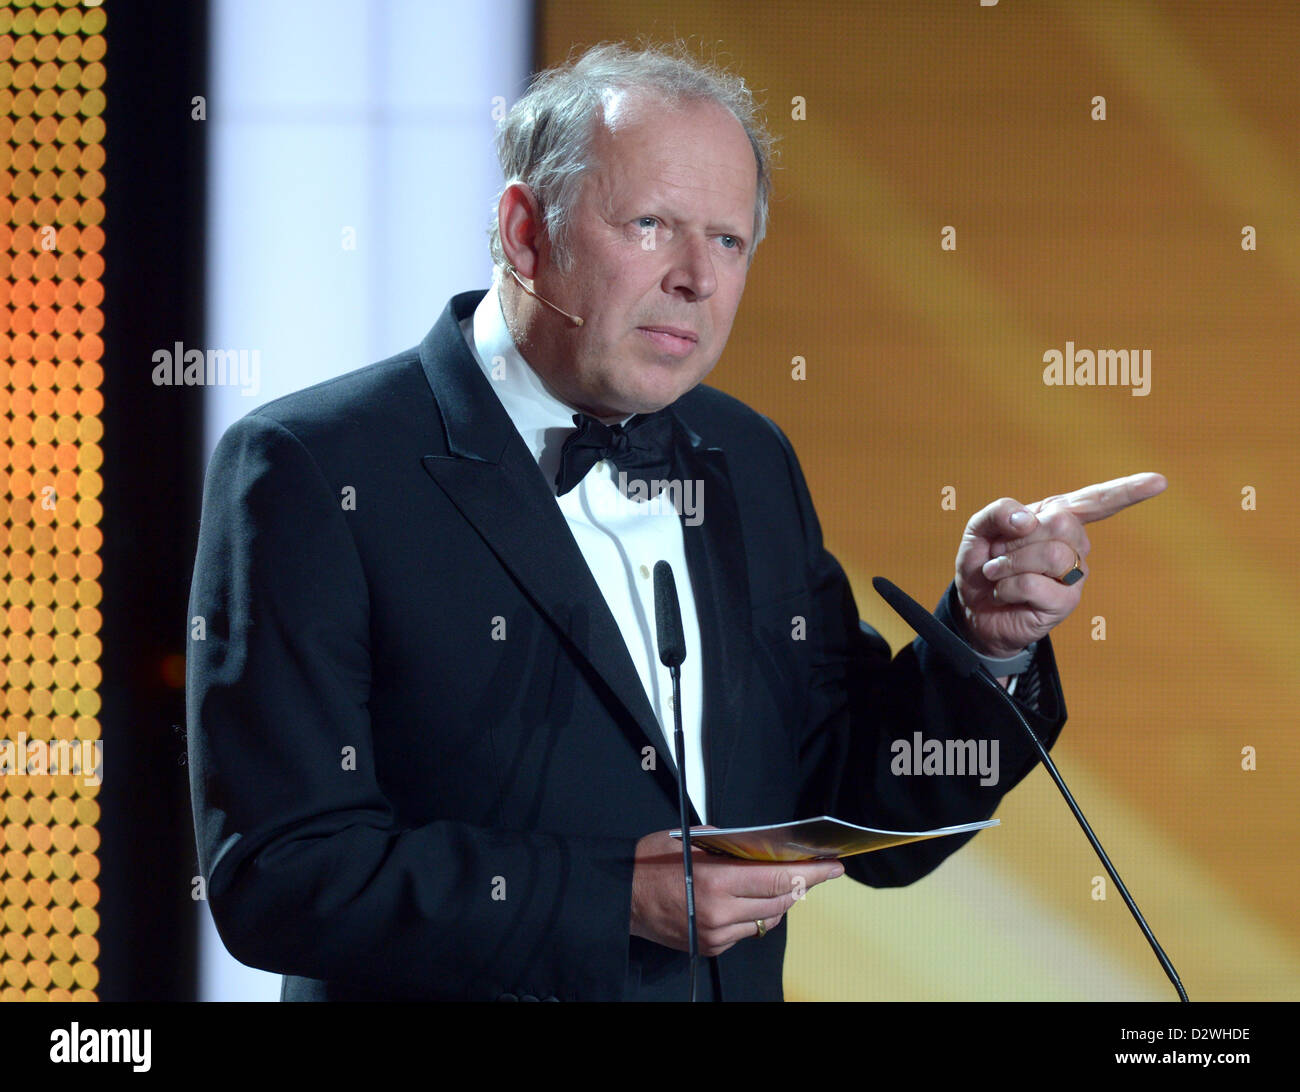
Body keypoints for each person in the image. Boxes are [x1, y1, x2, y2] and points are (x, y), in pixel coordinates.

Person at [185, 42, 1165, 1001]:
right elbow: (278, 876)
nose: (697, 277)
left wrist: (981, 648)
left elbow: (856, 796)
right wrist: (611, 898)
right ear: (527, 233)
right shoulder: (315, 466)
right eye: (651, 224)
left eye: (729, 240)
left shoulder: (744, 455)